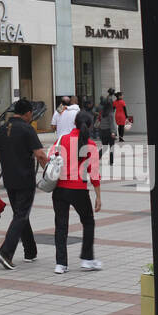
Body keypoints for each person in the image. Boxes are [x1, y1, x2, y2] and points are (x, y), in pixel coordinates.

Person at [0, 98, 48, 270]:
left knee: (20, 214)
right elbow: (40, 155)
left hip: (9, 180)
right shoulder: (27, 129)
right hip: (25, 179)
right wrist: (50, 173)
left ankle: (30, 251)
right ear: (28, 113)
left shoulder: (0, 129)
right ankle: (5, 252)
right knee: (21, 215)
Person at [53, 111, 102, 273]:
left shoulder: (62, 139)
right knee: (88, 222)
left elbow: (51, 158)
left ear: (74, 122)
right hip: (79, 190)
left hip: (59, 188)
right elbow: (94, 173)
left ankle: (61, 264)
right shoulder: (91, 145)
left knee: (61, 226)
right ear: (89, 125)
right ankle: (87, 259)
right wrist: (98, 196)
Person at [97, 95, 116, 167]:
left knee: (104, 146)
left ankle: (97, 157)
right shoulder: (110, 113)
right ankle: (111, 162)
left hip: (102, 132)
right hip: (109, 132)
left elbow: (101, 122)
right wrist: (113, 132)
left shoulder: (102, 113)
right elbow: (112, 124)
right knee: (111, 147)